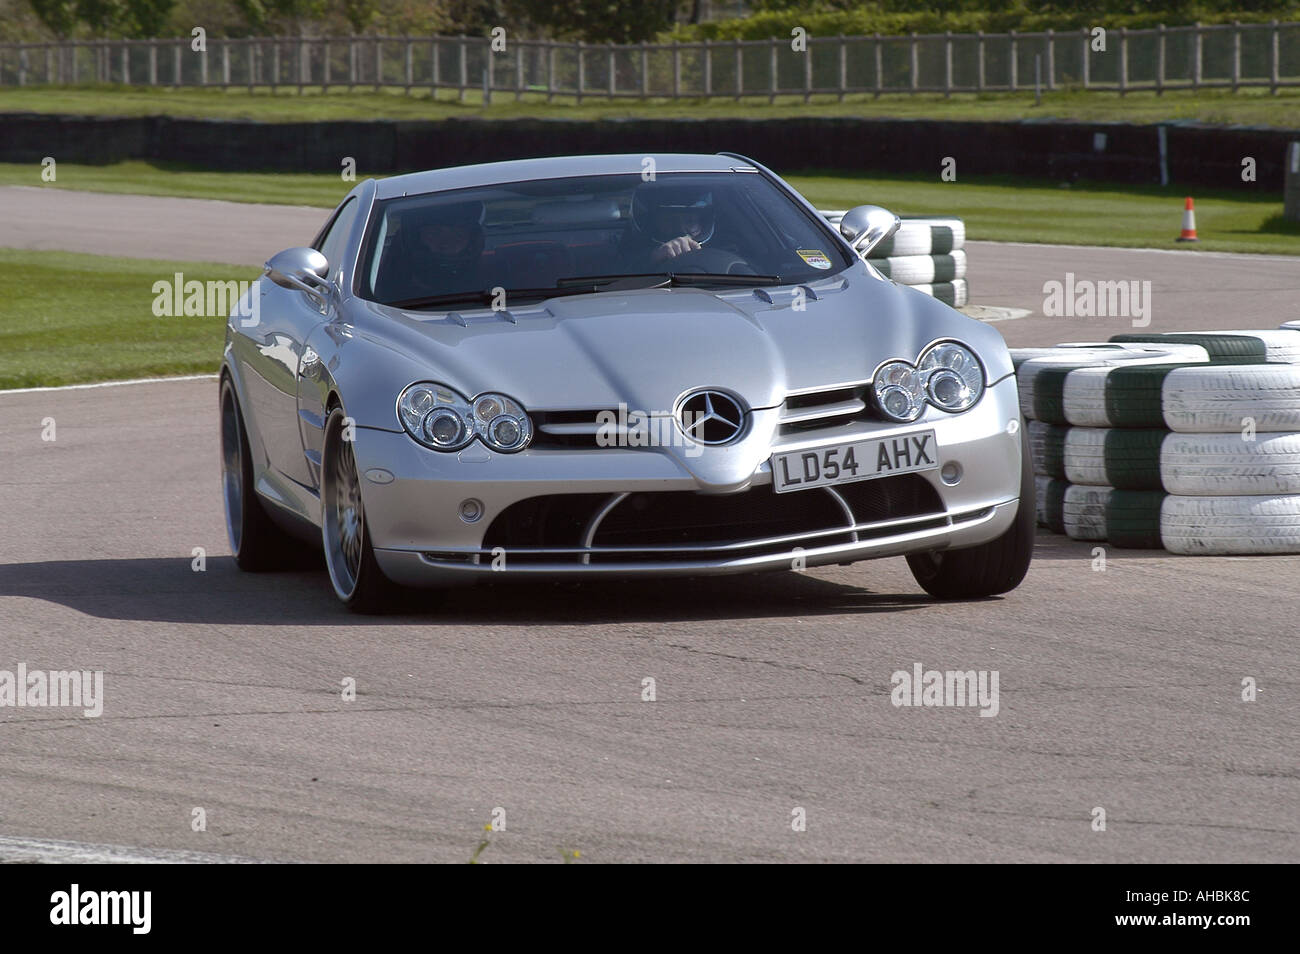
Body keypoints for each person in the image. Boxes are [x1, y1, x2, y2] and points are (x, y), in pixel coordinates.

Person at [403, 200, 486, 296]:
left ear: (472, 241)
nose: (445, 243)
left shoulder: (496, 281)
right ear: (418, 238)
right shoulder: (393, 283)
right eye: (434, 234)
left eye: (457, 235)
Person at [622, 184, 716, 268]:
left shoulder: (722, 246)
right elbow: (620, 269)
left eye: (690, 221)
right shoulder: (632, 247)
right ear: (654, 222)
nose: (680, 229)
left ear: (703, 224)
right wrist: (651, 259)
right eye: (670, 221)